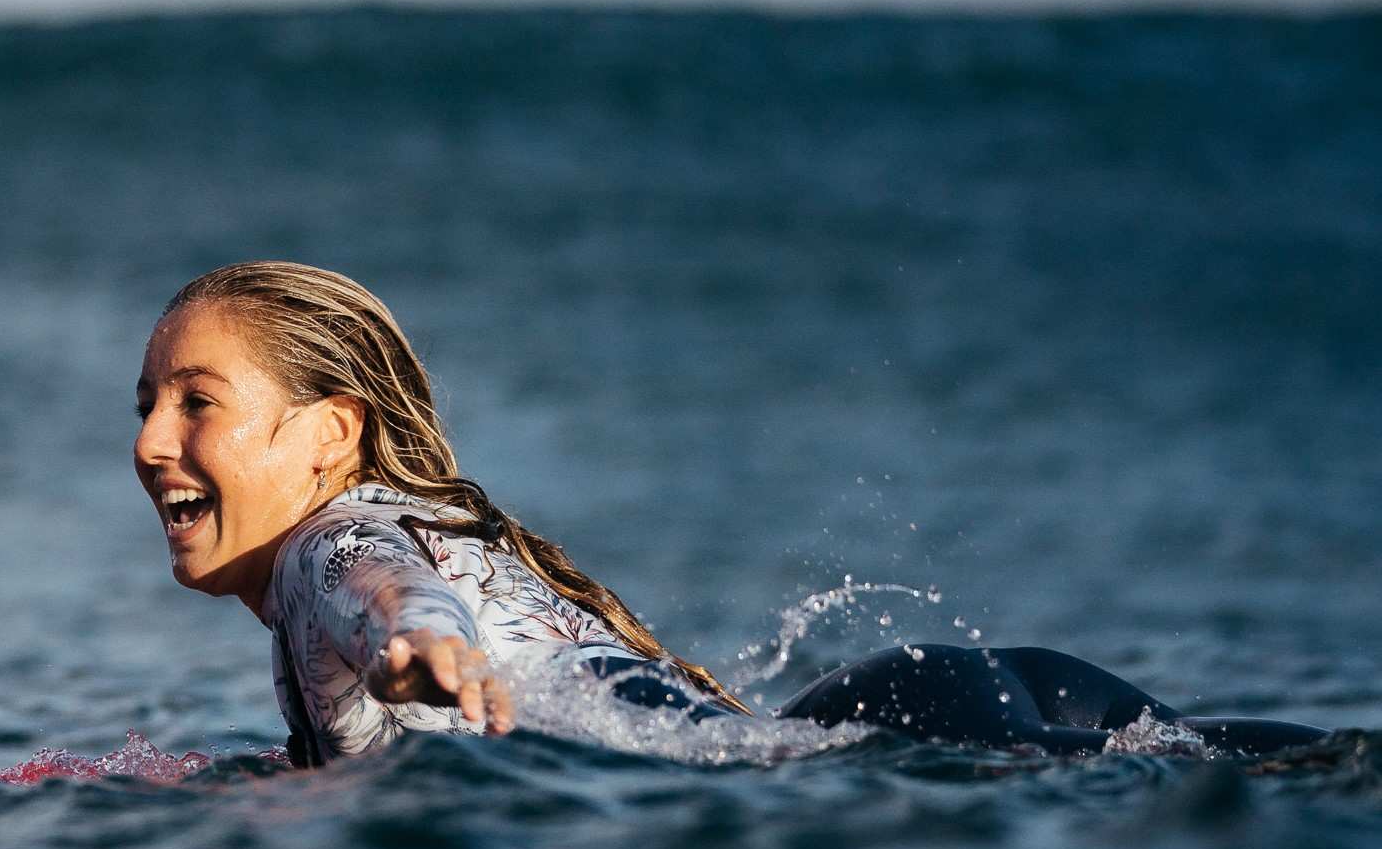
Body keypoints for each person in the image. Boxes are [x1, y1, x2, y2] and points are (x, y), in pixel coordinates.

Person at [134, 262, 1327, 766]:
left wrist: (421, 639)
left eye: (197, 401)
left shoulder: (327, 550)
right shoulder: (386, 532)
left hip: (885, 746)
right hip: (911, 700)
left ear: (330, 433)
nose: (150, 443)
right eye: (146, 404)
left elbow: (381, 581)